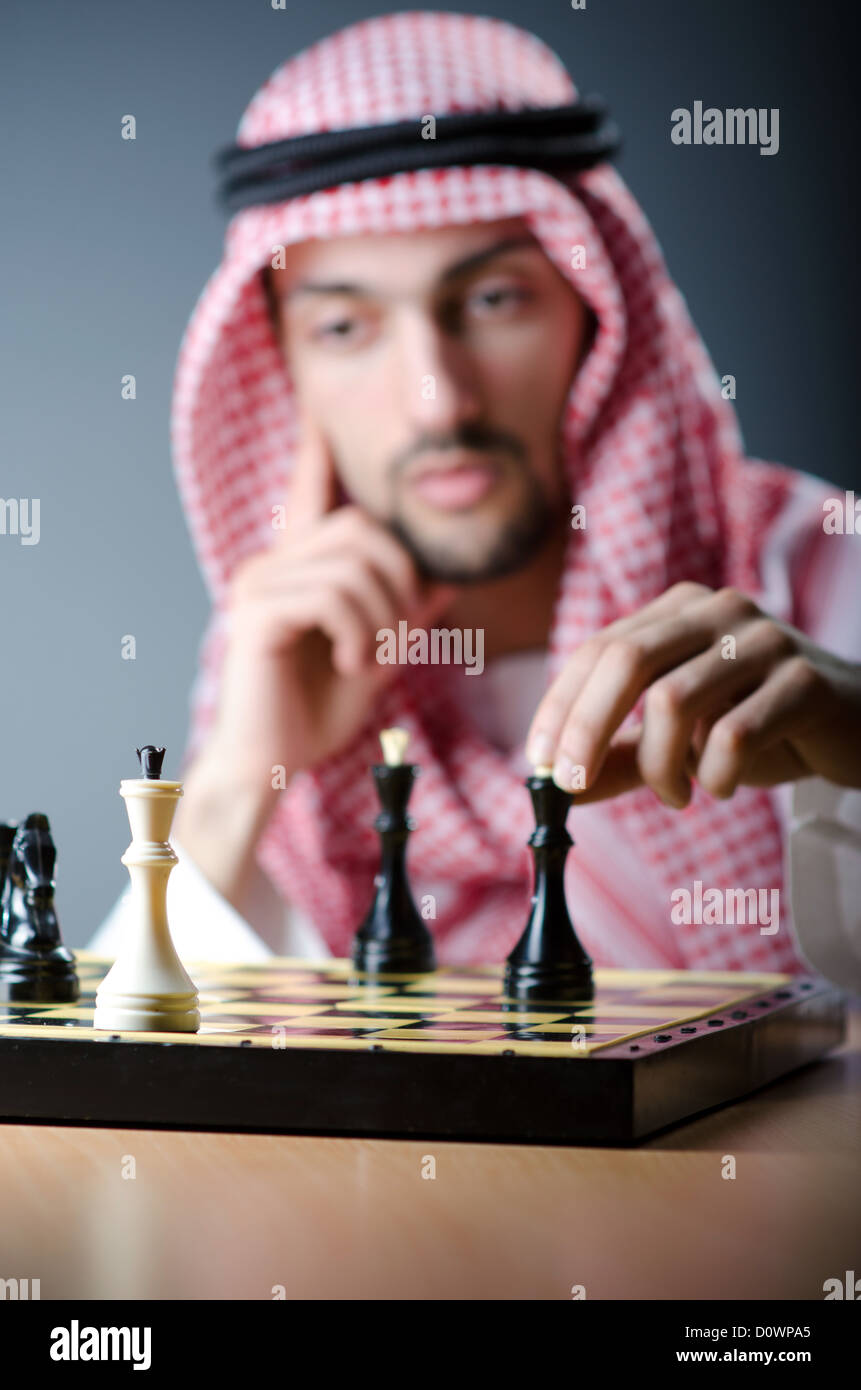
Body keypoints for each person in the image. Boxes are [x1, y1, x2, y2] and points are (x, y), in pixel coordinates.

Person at [89, 12, 861, 991]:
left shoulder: (829, 573)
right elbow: (121, 1080)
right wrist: (241, 776)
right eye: (343, 325)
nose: (438, 399)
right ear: (281, 366)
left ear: (597, 313)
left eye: (494, 300)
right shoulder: (278, 663)